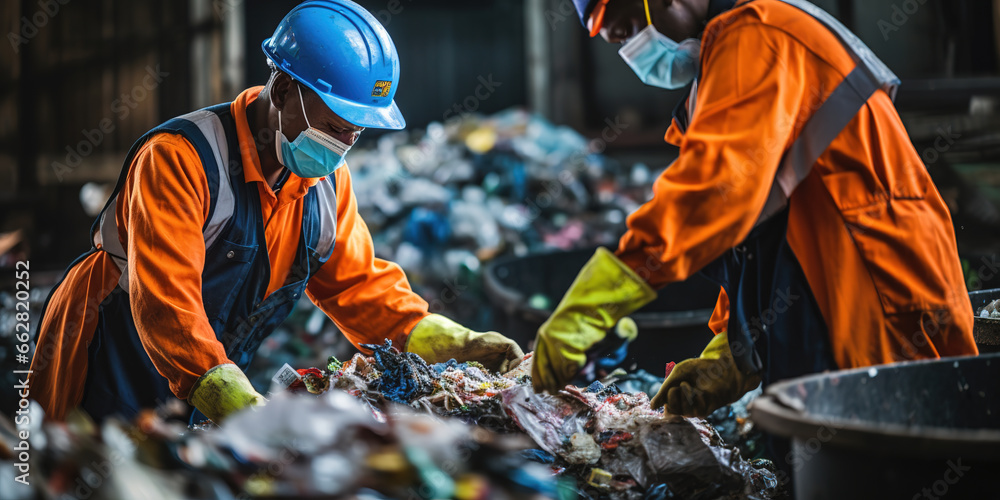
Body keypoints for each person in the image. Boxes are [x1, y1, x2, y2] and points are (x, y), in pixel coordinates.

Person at [30, 0, 523, 424]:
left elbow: (360, 288)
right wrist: (241, 405)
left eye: (358, 129)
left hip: (209, 364)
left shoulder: (325, 181)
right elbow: (167, 307)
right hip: (109, 346)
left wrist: (456, 343)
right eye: (336, 122)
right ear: (283, 89)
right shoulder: (181, 159)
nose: (345, 142)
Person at [533, 0, 977, 419]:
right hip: (828, 294)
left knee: (884, 464)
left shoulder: (757, 35)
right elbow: (750, 232)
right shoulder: (719, 69)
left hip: (874, 298)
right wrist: (732, 347)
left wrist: (594, 304)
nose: (633, 52)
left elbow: (712, 194)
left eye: (629, 28)